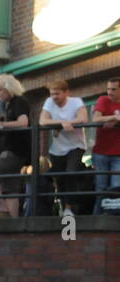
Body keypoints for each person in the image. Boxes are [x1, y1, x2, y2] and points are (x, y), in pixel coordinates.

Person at [0, 74, 33, 217]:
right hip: (14, 150)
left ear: (9, 89)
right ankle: (13, 222)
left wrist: (0, 124)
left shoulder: (19, 102)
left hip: (14, 149)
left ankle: (3, 209)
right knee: (11, 189)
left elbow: (23, 122)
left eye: (0, 90)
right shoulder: (6, 105)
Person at [39, 80, 89, 216]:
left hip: (76, 145)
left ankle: (69, 207)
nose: (54, 97)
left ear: (66, 93)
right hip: (57, 148)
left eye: (57, 94)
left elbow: (83, 118)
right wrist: (62, 123)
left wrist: (66, 124)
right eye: (52, 94)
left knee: (71, 173)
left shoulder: (76, 102)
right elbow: (42, 120)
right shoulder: (49, 102)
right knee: (60, 177)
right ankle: (64, 206)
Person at [91, 77, 120, 213]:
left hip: (118, 153)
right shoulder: (103, 100)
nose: (109, 92)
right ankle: (97, 216)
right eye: (108, 88)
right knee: (101, 187)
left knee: (116, 187)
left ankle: (113, 218)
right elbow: (96, 118)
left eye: (113, 89)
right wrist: (114, 118)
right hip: (101, 151)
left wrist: (110, 122)